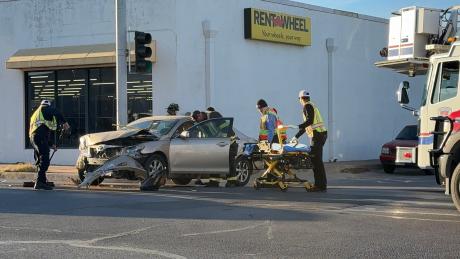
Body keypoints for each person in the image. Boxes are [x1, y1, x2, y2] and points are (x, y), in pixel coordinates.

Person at [29, 100, 70, 190]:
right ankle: (39, 182)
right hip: (39, 137)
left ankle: (42, 181)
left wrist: (51, 144)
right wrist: (65, 122)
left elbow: (43, 132)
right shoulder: (45, 108)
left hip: (34, 138)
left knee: (40, 160)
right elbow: (57, 112)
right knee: (45, 159)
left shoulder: (37, 114)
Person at [292, 90, 328, 192]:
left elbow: (309, 121)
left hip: (317, 135)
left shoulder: (307, 106)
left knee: (316, 161)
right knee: (317, 161)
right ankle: (321, 184)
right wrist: (296, 136)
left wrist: (298, 126)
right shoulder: (312, 105)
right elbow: (308, 124)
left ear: (300, 99)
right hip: (320, 134)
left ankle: (320, 185)